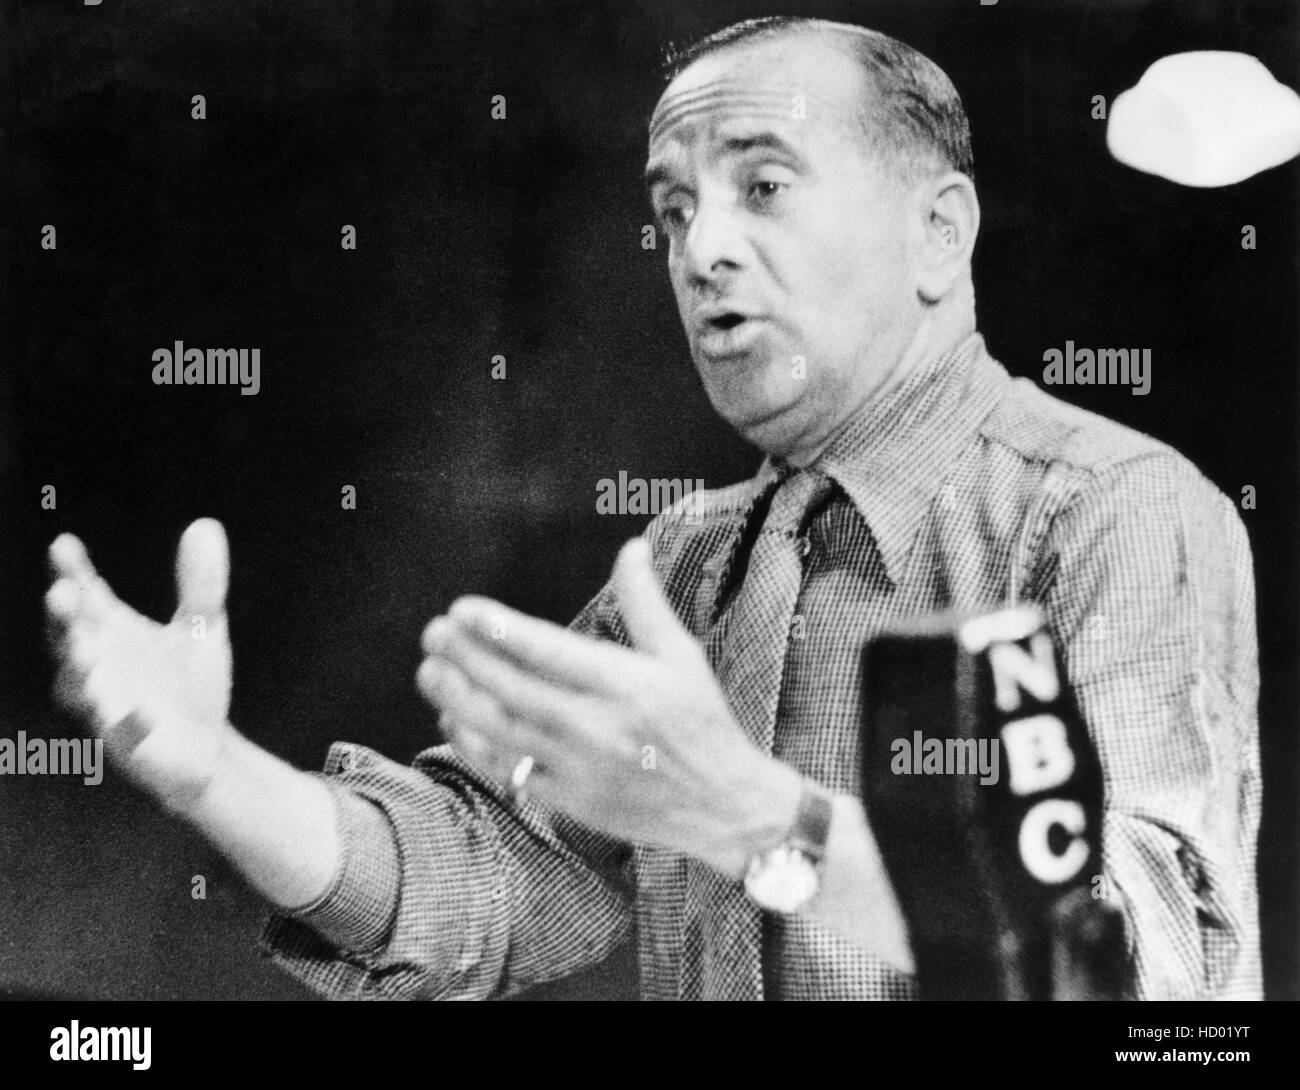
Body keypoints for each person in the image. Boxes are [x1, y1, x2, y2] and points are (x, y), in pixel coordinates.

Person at [43, 16, 1260, 1001]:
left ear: (937, 233)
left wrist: (751, 820)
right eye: (673, 209)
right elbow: (489, 875)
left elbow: (1134, 972)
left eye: (762, 186)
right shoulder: (689, 563)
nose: (699, 249)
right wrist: (214, 773)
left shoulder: (1112, 512)